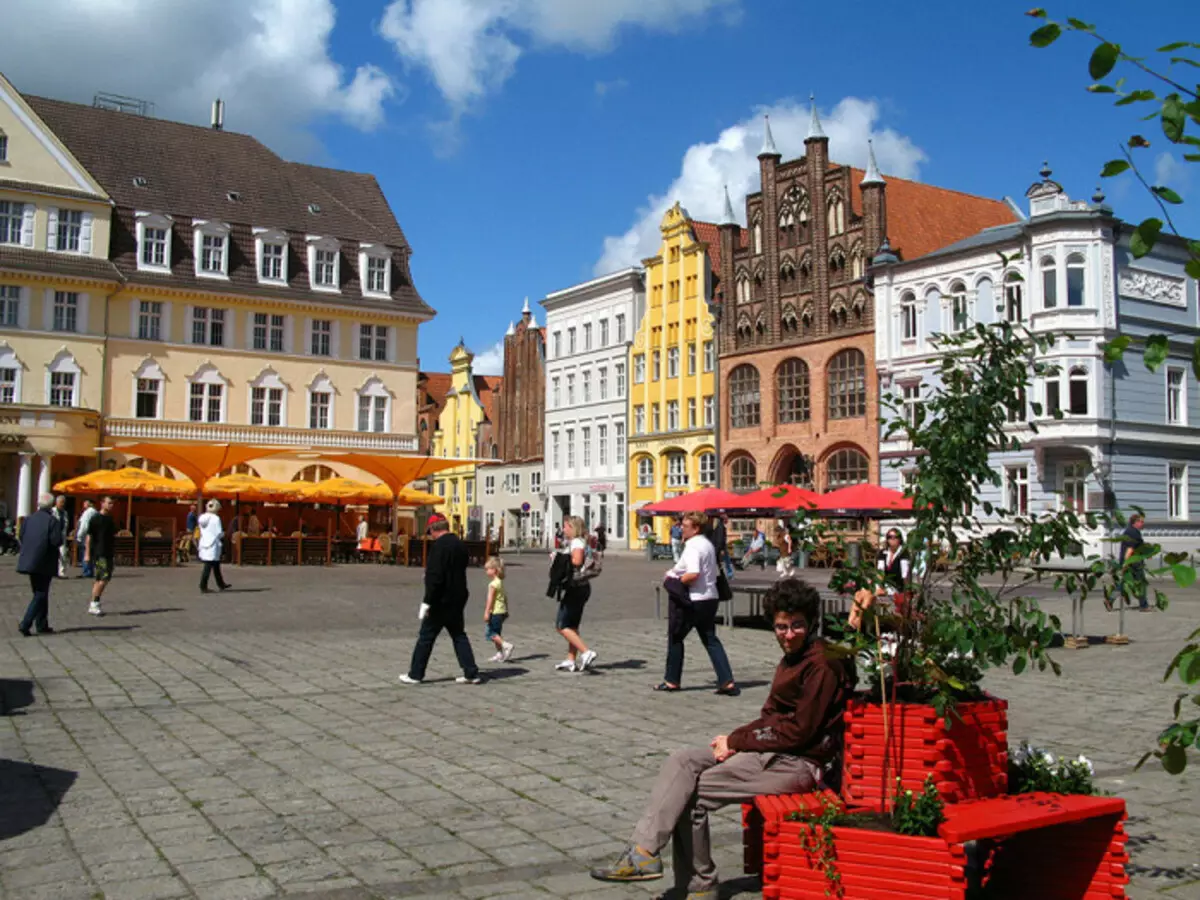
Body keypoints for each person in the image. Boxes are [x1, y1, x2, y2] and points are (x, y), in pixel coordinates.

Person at [591, 578, 856, 897]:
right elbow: (771, 717)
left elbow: (799, 731)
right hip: (770, 751)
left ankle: (701, 886)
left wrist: (737, 741)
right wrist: (735, 739)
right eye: (781, 627)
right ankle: (644, 852)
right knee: (682, 760)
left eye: (796, 626)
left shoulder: (821, 665)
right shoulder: (792, 659)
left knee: (692, 795)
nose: (788, 635)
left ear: (811, 621)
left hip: (796, 764)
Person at [656, 512, 737, 696]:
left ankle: (672, 680)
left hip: (694, 599)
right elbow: (713, 571)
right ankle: (727, 680)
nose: (681, 529)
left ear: (696, 528)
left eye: (685, 526)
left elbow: (693, 573)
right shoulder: (707, 544)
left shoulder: (693, 546)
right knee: (710, 639)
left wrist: (675, 580)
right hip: (710, 597)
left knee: (676, 637)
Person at [400, 514, 482, 685]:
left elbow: (435, 577)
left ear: (434, 529)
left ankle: (415, 674)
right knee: (459, 634)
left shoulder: (439, 547)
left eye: (430, 532)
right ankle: (471, 672)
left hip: (440, 599)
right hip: (458, 596)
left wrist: (427, 602)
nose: (430, 535)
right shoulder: (460, 545)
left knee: (426, 637)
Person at [549, 515, 598, 672]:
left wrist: (559, 558)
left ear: (572, 528)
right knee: (572, 625)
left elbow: (576, 561)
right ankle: (571, 659)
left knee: (561, 625)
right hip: (581, 587)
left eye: (565, 527)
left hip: (575, 588)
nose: (563, 530)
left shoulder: (577, 542)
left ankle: (586, 652)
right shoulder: (578, 542)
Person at [17, 493, 64, 636]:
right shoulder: (52, 521)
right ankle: (26, 623)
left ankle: (42, 624)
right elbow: (56, 541)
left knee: (39, 591)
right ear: (51, 506)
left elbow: (21, 536)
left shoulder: (28, 519)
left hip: (29, 559)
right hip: (44, 561)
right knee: (40, 593)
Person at [851, 528, 912, 629]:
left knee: (868, 595)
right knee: (859, 594)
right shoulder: (883, 553)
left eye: (894, 537)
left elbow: (905, 575)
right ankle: (851, 622)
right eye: (889, 537)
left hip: (895, 587)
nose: (892, 540)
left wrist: (907, 592)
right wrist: (878, 585)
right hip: (883, 585)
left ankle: (858, 620)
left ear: (900, 539)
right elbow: (880, 572)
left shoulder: (903, 554)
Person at [84, 495, 117, 617]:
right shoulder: (95, 518)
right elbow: (89, 536)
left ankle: (94, 603)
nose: (111, 506)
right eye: (109, 503)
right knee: (102, 578)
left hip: (108, 552)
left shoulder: (110, 519)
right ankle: (94, 603)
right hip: (99, 552)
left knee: (102, 579)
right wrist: (87, 554)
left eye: (112, 503)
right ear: (102, 503)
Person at [1113, 513, 1149, 612]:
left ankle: (1110, 599)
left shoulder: (1129, 531)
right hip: (1133, 563)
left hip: (1131, 562)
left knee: (1124, 583)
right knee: (1141, 583)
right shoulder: (1134, 533)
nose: (1143, 523)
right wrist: (1126, 563)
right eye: (1141, 521)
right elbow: (1130, 549)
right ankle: (1144, 605)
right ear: (1135, 522)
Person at [483, 556, 514, 662]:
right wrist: (506, 609)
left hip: (495, 611)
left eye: (488, 569)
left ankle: (506, 646)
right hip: (501, 611)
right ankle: (499, 653)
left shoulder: (492, 584)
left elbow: (490, 599)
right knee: (497, 633)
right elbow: (504, 597)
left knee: (490, 633)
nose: (486, 571)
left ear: (494, 570)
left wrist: (487, 612)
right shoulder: (499, 582)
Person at [197, 499, 231, 593]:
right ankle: (203, 586)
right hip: (213, 543)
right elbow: (218, 532)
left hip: (204, 542)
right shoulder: (215, 518)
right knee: (208, 566)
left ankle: (221, 583)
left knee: (215, 565)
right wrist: (224, 534)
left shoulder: (202, 517)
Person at [75, 499, 97, 577]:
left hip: (85, 536)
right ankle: (89, 571)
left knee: (85, 553)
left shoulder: (88, 512)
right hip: (91, 536)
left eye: (85, 502)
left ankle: (87, 571)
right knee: (89, 553)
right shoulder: (94, 512)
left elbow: (84, 525)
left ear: (90, 504)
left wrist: (79, 536)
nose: (84, 504)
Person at [52, 495, 70, 577]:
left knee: (63, 554)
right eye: (61, 502)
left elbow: (66, 524)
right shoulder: (52, 511)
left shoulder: (65, 512)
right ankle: (53, 571)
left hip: (62, 536)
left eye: (63, 502)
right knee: (53, 554)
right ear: (56, 502)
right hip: (53, 536)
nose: (62, 504)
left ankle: (61, 572)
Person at [712, 514, 734, 581]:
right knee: (726, 562)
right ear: (724, 519)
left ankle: (727, 574)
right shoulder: (720, 527)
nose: (728, 520)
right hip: (721, 547)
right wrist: (721, 549)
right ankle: (728, 575)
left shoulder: (720, 526)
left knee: (724, 562)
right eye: (727, 518)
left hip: (720, 547)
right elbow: (720, 539)